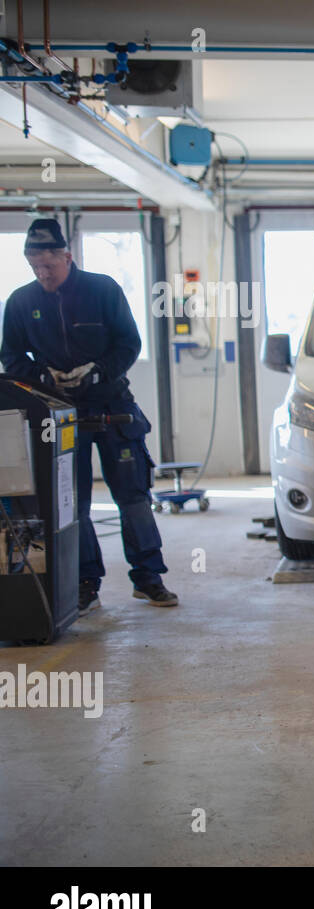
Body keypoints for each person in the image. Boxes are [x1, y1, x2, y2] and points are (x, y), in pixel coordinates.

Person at [1, 218, 176, 613]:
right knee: (73, 504)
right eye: (35, 267)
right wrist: (42, 377)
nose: (43, 274)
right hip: (60, 414)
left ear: (68, 256)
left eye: (50, 265)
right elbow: (10, 356)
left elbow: (129, 342)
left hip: (113, 407)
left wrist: (97, 370)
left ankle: (148, 577)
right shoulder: (22, 302)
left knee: (132, 498)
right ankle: (84, 583)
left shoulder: (102, 290)